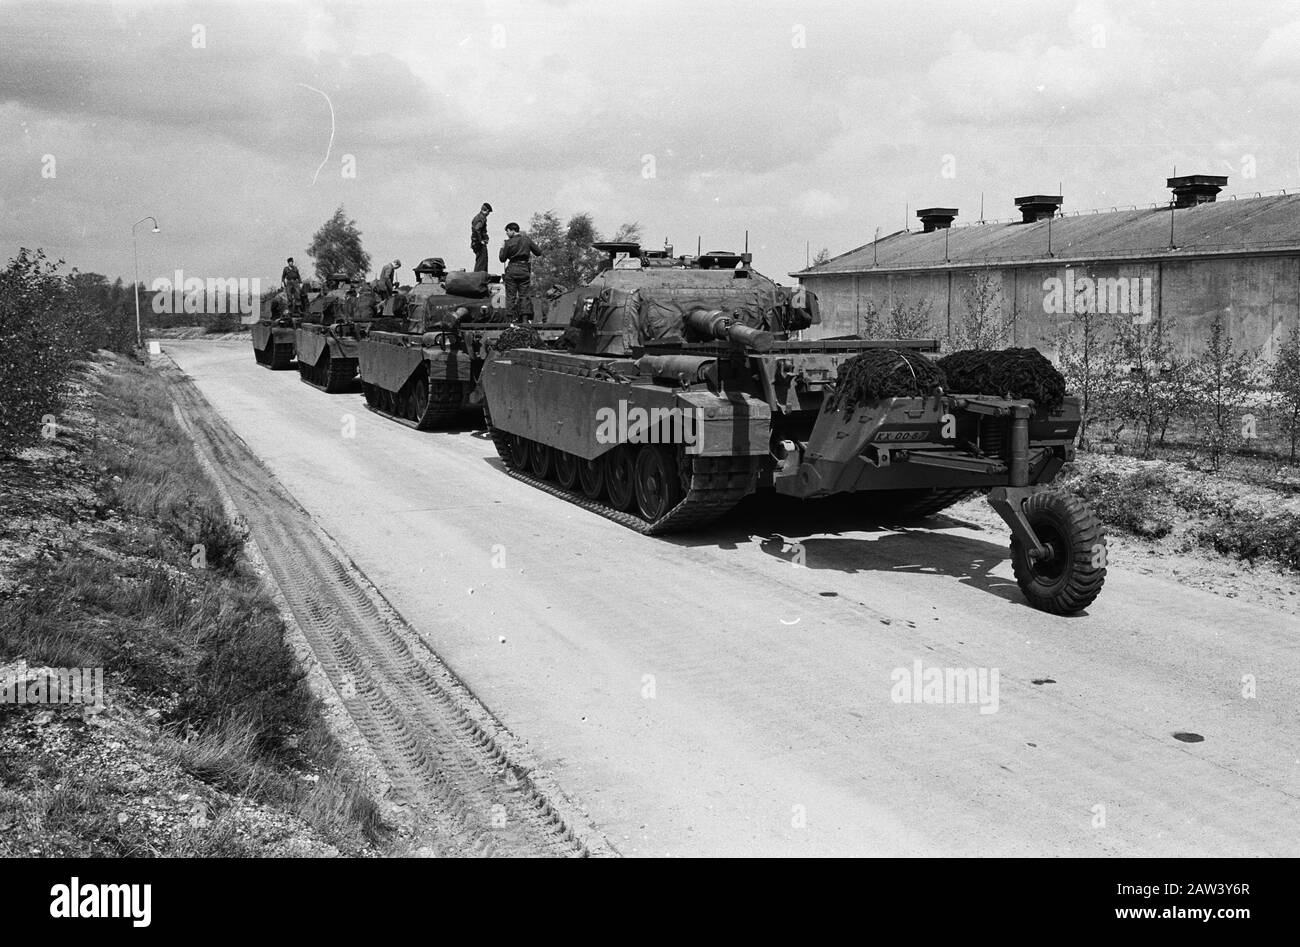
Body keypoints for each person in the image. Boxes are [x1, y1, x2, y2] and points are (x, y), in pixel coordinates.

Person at [499, 222, 542, 321]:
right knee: (524, 296)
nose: (507, 233)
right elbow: (538, 252)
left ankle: (509, 321)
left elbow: (502, 259)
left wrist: (502, 247)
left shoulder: (508, 242)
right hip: (524, 269)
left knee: (510, 296)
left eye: (507, 231)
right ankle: (525, 321)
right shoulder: (526, 240)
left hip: (512, 269)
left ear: (513, 230)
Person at [471, 202, 492, 273]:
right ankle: (479, 279)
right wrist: (481, 241)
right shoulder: (481, 218)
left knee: (480, 262)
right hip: (479, 244)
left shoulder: (478, 217)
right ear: (487, 211)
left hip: (476, 243)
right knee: (481, 263)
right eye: (488, 212)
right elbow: (477, 229)